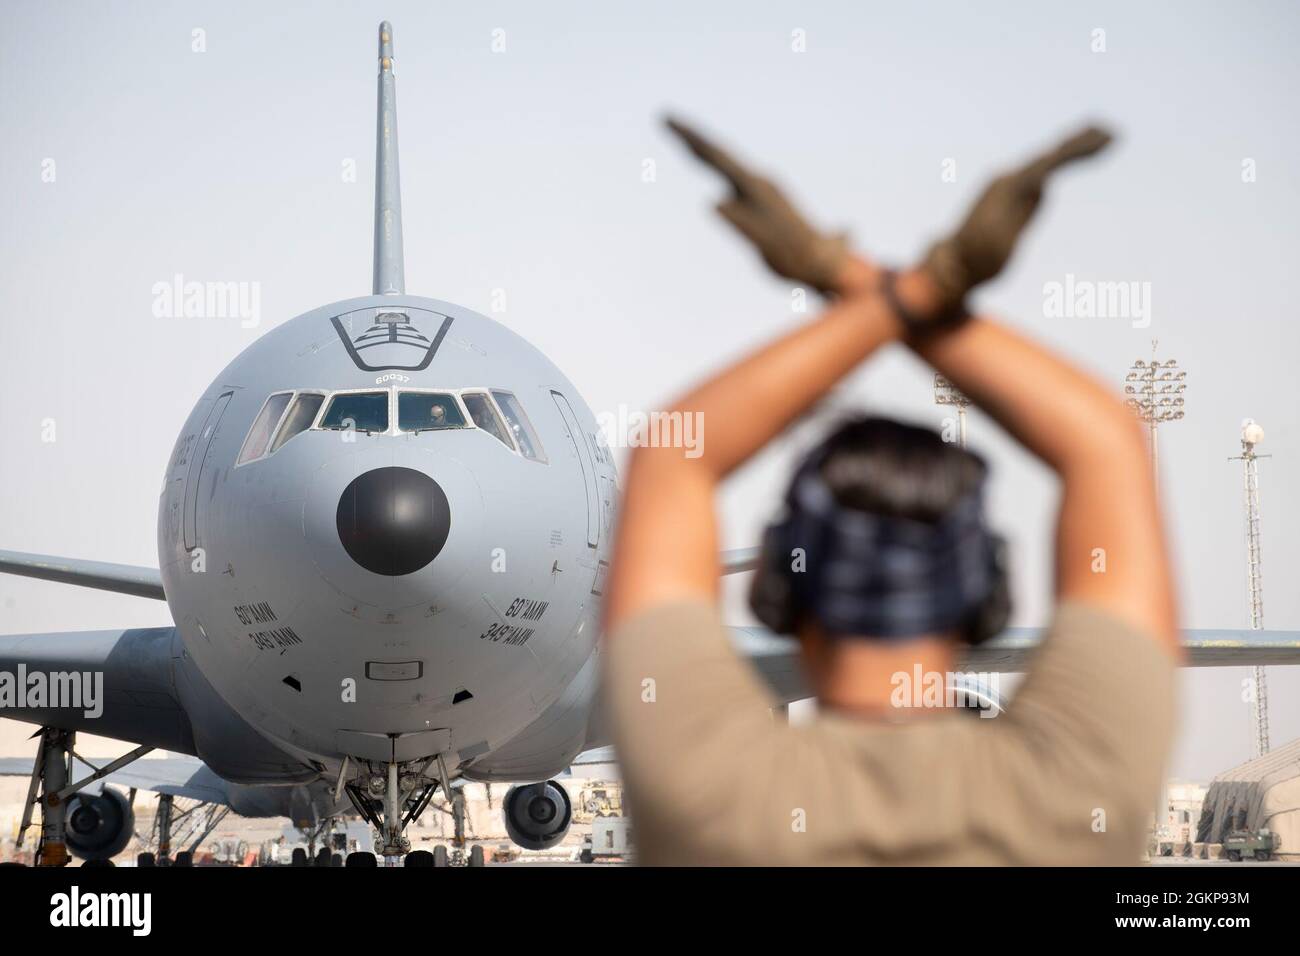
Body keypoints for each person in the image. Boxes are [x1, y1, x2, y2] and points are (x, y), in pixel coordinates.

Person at [601, 119, 1179, 865]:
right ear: (987, 590)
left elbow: (672, 457)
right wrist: (929, 286)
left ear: (779, 587)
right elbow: (1107, 442)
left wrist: (862, 286)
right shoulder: (1080, 785)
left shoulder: (705, 787)